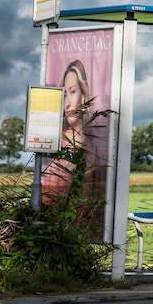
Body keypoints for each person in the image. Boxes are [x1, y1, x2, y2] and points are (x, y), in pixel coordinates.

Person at [41, 59, 104, 204]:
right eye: (64, 95)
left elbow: (96, 198)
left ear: (83, 95)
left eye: (72, 92)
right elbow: (45, 195)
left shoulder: (95, 149)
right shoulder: (55, 143)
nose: (67, 103)